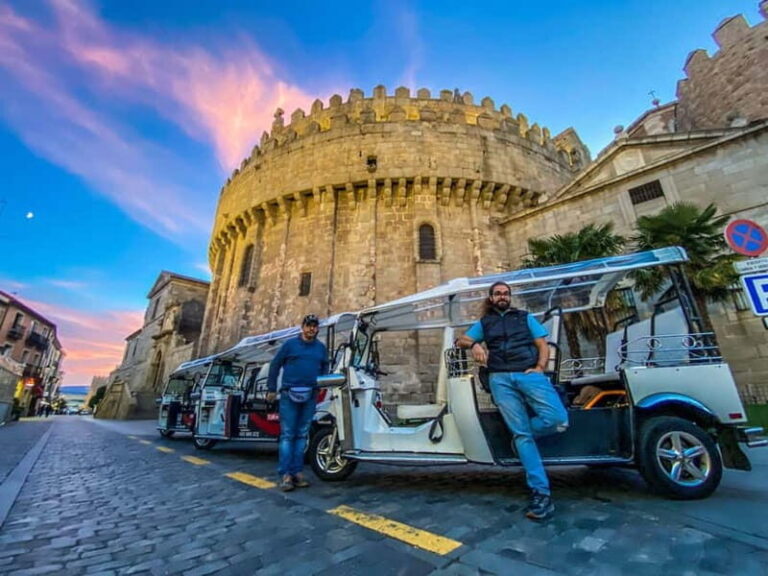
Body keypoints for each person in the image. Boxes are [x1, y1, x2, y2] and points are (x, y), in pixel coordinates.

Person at [457, 281, 568, 521]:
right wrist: (475, 343)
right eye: (498, 294)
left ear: (510, 297)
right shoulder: (485, 323)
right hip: (499, 379)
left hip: (528, 374)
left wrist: (540, 367)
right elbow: (461, 340)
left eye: (506, 293)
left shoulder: (524, 317)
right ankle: (541, 492)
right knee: (522, 435)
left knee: (557, 419)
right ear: (491, 297)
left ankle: (521, 439)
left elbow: (542, 345)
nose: (502, 297)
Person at [266, 314, 328, 491]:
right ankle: (285, 474)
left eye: (315, 326)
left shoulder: (320, 348)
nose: (312, 329)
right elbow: (275, 364)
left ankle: (297, 472)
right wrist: (271, 388)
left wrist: (322, 384)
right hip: (289, 394)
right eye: (309, 326)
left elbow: (325, 365)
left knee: (302, 434)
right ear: (303, 327)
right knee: (288, 435)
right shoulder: (290, 345)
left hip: (310, 394)